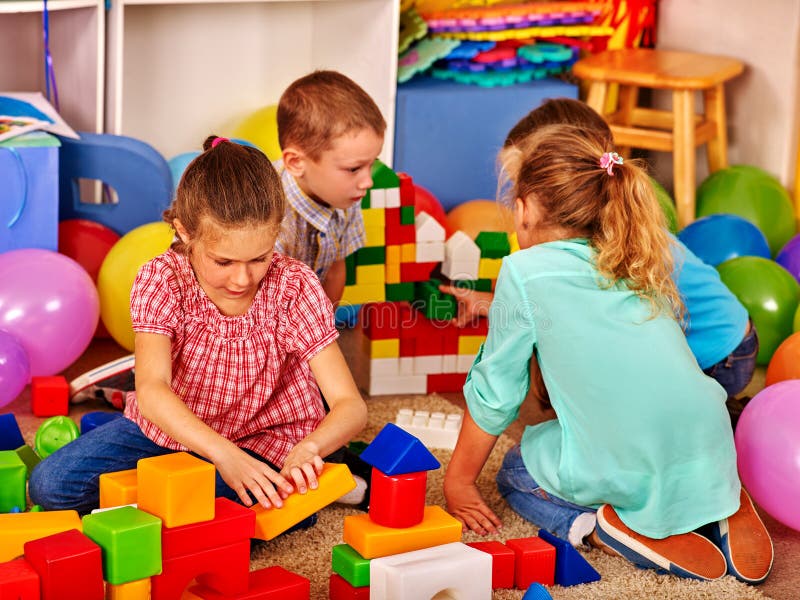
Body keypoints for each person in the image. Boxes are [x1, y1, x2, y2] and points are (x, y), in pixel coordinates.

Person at [442, 123, 773, 584]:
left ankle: (602, 530)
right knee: (635, 433)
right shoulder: (637, 250)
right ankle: (722, 501)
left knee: (517, 471)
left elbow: (496, 392)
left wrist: (458, 480)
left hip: (631, 458)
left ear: (523, 209)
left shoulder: (522, 271)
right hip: (710, 438)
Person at [29, 136, 368, 521]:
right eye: (223, 261)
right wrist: (222, 454)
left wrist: (310, 448)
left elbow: (349, 405)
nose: (242, 278)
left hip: (265, 437)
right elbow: (152, 389)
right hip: (175, 428)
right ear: (185, 232)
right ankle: (294, 486)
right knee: (52, 486)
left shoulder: (294, 285)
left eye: (258, 258)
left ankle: (318, 476)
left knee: (252, 506)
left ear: (276, 234)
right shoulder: (161, 278)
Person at [440, 98, 757, 420]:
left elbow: (573, 322)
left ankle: (719, 416)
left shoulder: (609, 241)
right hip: (700, 342)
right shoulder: (586, 234)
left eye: (523, 188)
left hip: (721, 356)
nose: (516, 206)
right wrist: (491, 302)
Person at [274, 70, 386, 306]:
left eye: (371, 164)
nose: (368, 182)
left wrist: (324, 326)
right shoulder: (268, 215)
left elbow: (335, 270)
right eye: (354, 169)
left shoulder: (345, 197)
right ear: (297, 163)